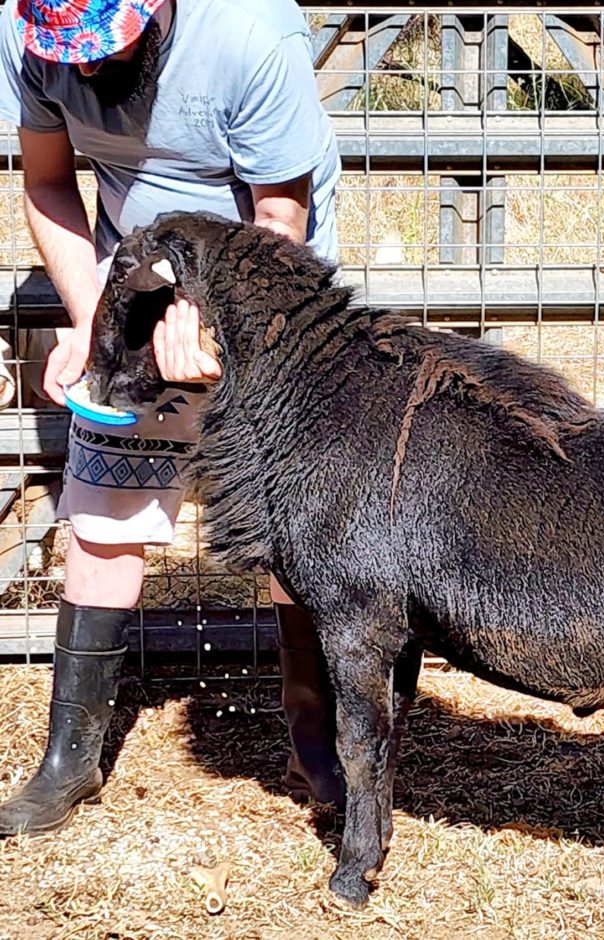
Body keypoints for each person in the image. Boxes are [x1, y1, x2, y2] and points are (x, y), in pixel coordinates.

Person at [0, 0, 345, 834]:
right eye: (66, 55)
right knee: (105, 508)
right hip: (137, 270)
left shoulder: (250, 37)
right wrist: (94, 319)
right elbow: (47, 180)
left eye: (103, 51)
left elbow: (278, 220)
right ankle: (70, 758)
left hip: (266, 283)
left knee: (286, 519)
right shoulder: (26, 30)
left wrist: (205, 318)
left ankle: (316, 741)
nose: (82, 72)